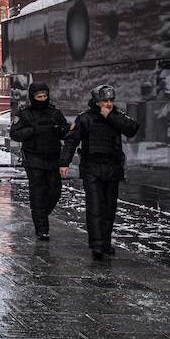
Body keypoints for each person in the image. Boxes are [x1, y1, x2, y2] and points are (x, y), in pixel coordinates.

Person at [60, 84, 140, 260]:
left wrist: (111, 117)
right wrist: (64, 163)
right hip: (92, 168)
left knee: (109, 207)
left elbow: (132, 128)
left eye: (111, 100)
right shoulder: (85, 118)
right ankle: (97, 244)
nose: (109, 104)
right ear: (96, 102)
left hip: (112, 168)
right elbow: (71, 141)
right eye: (105, 101)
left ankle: (105, 242)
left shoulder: (116, 116)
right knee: (95, 206)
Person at [9, 81, 69, 240]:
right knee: (38, 193)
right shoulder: (24, 113)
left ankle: (41, 214)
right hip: (33, 158)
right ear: (33, 97)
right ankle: (41, 229)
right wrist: (33, 131)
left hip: (52, 157)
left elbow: (66, 131)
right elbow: (15, 134)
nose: (42, 99)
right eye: (39, 96)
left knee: (55, 192)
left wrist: (59, 129)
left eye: (45, 96)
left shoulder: (54, 112)